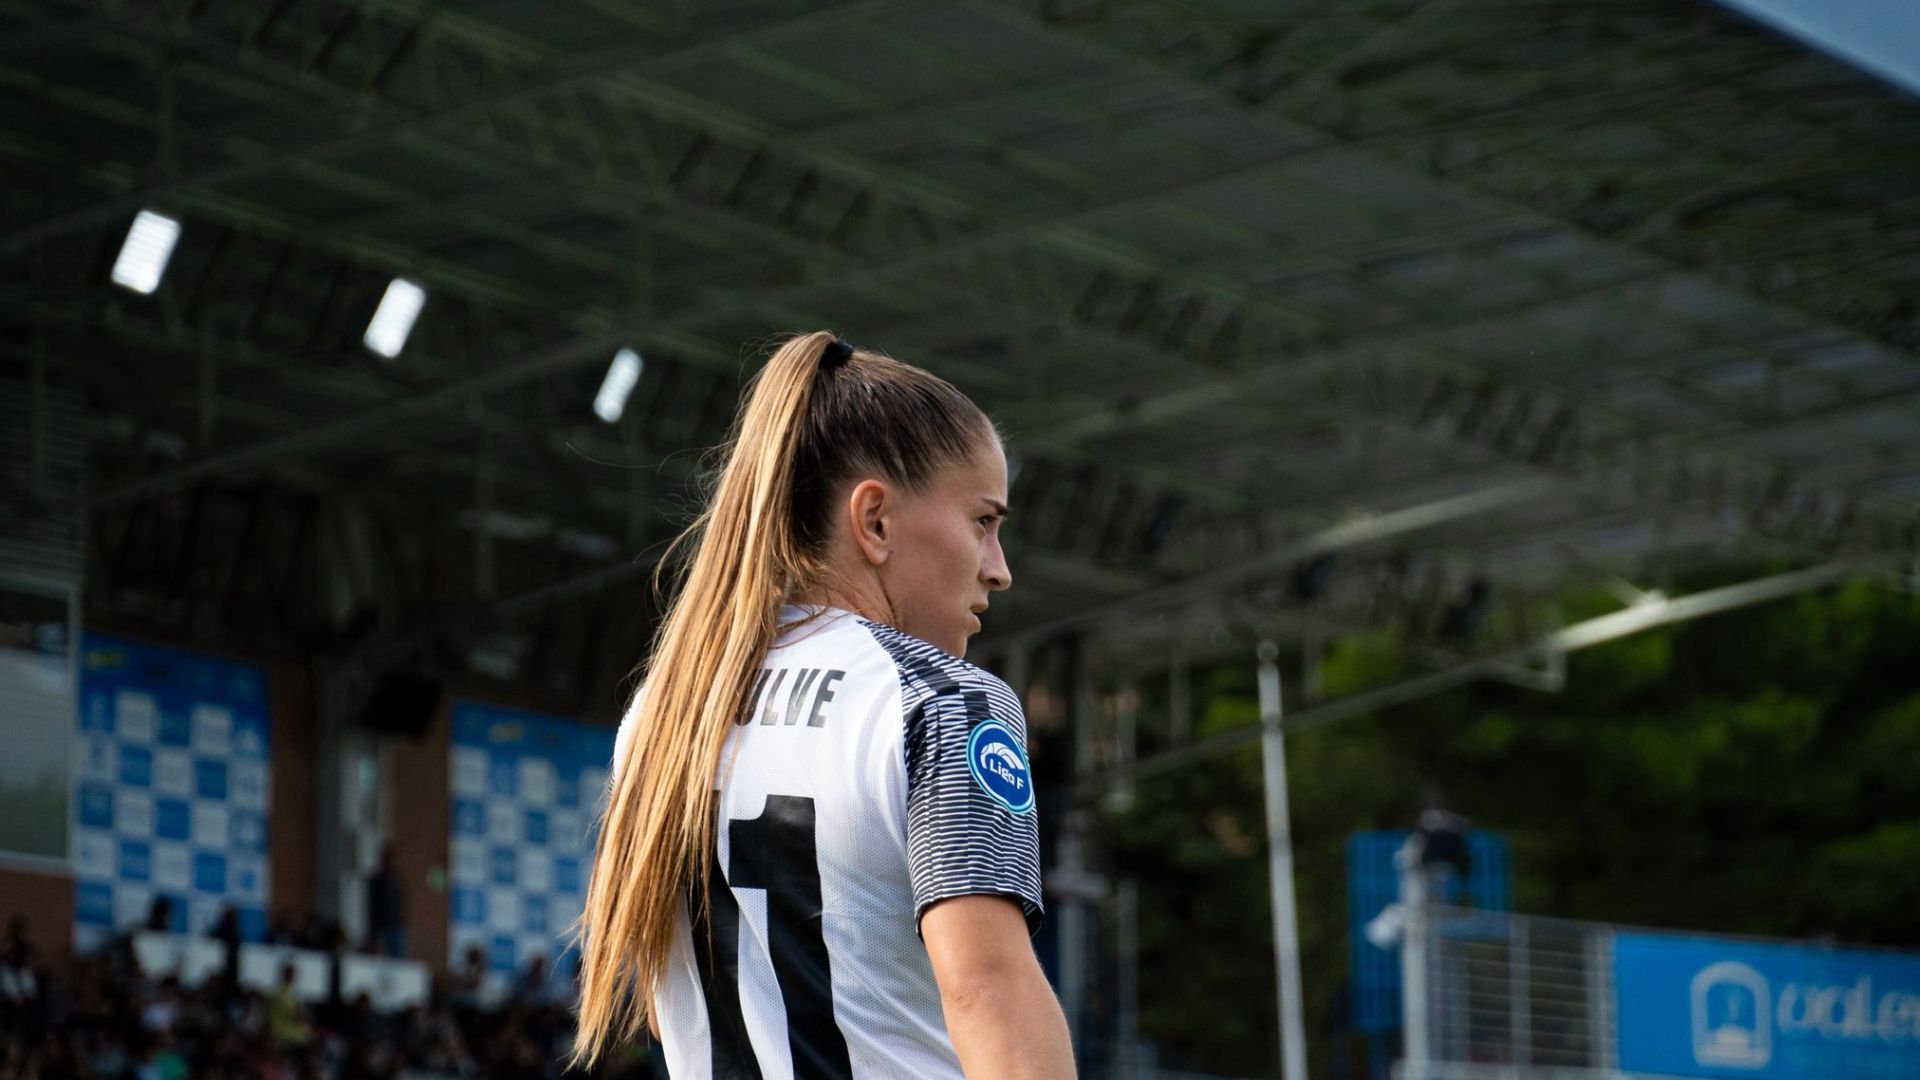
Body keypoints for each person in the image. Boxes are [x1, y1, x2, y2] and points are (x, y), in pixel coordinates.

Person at [571, 332, 1073, 1078]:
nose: (998, 570)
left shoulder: (663, 713)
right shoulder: (941, 702)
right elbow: (985, 991)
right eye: (984, 522)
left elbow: (658, 1003)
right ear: (873, 520)